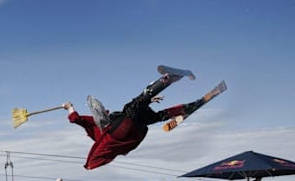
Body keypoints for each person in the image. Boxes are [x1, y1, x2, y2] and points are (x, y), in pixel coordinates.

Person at [63, 72, 209, 170]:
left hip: (135, 136)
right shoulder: (97, 124)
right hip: (119, 132)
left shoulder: (109, 138)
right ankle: (165, 80)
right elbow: (76, 118)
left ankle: (187, 108)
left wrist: (148, 102)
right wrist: (69, 107)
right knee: (133, 105)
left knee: (150, 116)